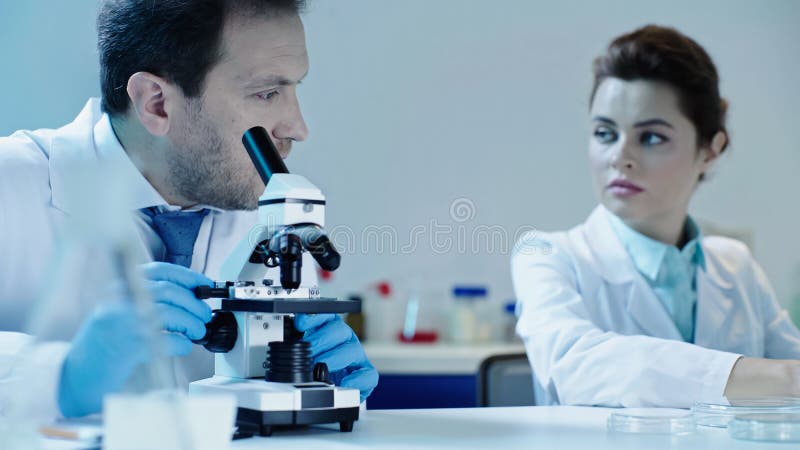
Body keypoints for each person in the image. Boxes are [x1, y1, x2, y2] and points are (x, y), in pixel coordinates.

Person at [0, 0, 377, 419]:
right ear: (156, 103)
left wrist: (310, 379)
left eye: (293, 90)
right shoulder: (10, 184)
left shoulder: (265, 218)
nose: (297, 127)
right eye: (267, 93)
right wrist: (64, 377)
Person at [511, 25, 800, 407]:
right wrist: (780, 376)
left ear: (710, 150)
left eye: (651, 137)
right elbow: (576, 367)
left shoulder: (736, 266)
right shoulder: (546, 255)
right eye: (604, 133)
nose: (619, 157)